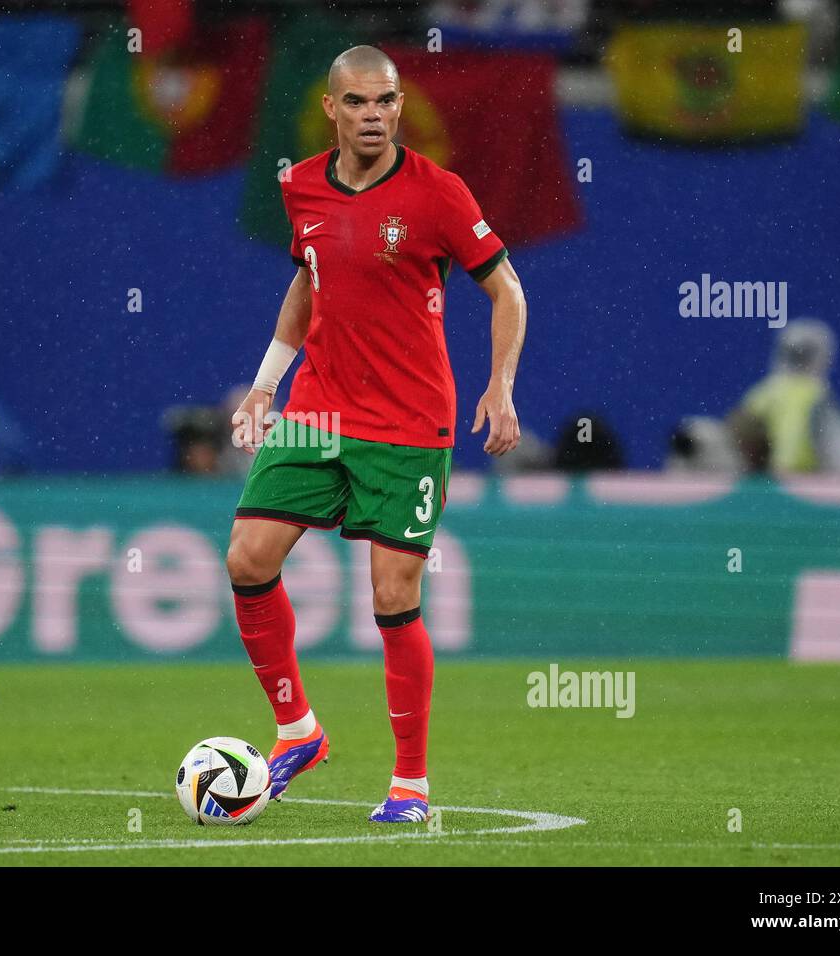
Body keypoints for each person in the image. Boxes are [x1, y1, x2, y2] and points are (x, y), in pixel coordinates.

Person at [224, 46, 527, 824]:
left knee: (393, 595)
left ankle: (412, 786)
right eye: (356, 103)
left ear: (400, 106)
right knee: (247, 557)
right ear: (331, 108)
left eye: (385, 102)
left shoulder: (440, 194)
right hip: (319, 407)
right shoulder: (299, 186)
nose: (372, 116)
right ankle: (298, 730)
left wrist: (500, 386)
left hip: (409, 421)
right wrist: (265, 385)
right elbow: (307, 284)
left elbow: (507, 291)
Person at [729, 318, 840, 475]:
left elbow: (733, 464)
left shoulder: (758, 397)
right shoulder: (818, 401)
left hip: (759, 496)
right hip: (801, 495)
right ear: (823, 357)